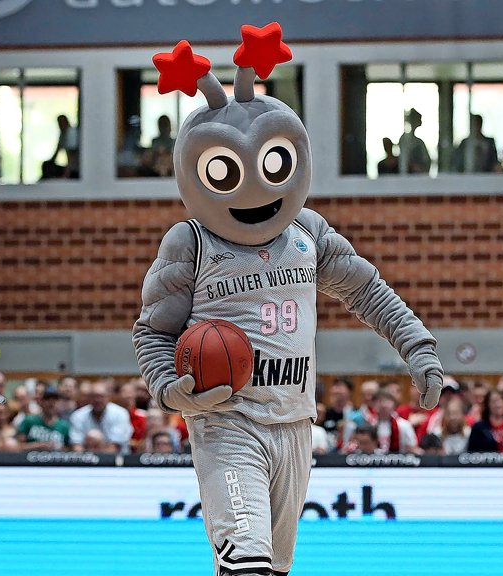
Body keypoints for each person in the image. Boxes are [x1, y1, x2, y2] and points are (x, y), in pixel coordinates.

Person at [134, 28, 447, 576]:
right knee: (247, 563)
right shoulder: (190, 243)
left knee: (273, 568)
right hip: (226, 422)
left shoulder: (308, 231)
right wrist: (169, 386)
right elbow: (153, 333)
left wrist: (417, 347)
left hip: (295, 423)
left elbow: (368, 291)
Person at [68, 380, 132, 453]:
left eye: (101, 396)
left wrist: (99, 458)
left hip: (117, 458)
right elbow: (76, 445)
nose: (97, 400)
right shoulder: (78, 415)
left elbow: (114, 446)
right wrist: (87, 458)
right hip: (86, 457)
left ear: (108, 397)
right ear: (89, 398)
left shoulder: (120, 414)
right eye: (94, 396)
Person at [17, 386, 71, 451]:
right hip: (30, 457)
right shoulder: (29, 421)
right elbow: (18, 447)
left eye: (55, 399)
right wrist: (39, 446)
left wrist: (59, 447)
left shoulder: (64, 426)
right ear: (41, 401)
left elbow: (70, 450)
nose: (51, 403)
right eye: (47, 399)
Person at [115, 379, 148, 451]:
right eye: (125, 392)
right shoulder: (112, 414)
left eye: (131, 392)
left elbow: (145, 440)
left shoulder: (142, 416)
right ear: (117, 395)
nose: (129, 395)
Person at [398, 109, 431, 174]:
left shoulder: (419, 142)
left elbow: (427, 161)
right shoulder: (405, 139)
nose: (421, 121)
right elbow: (404, 162)